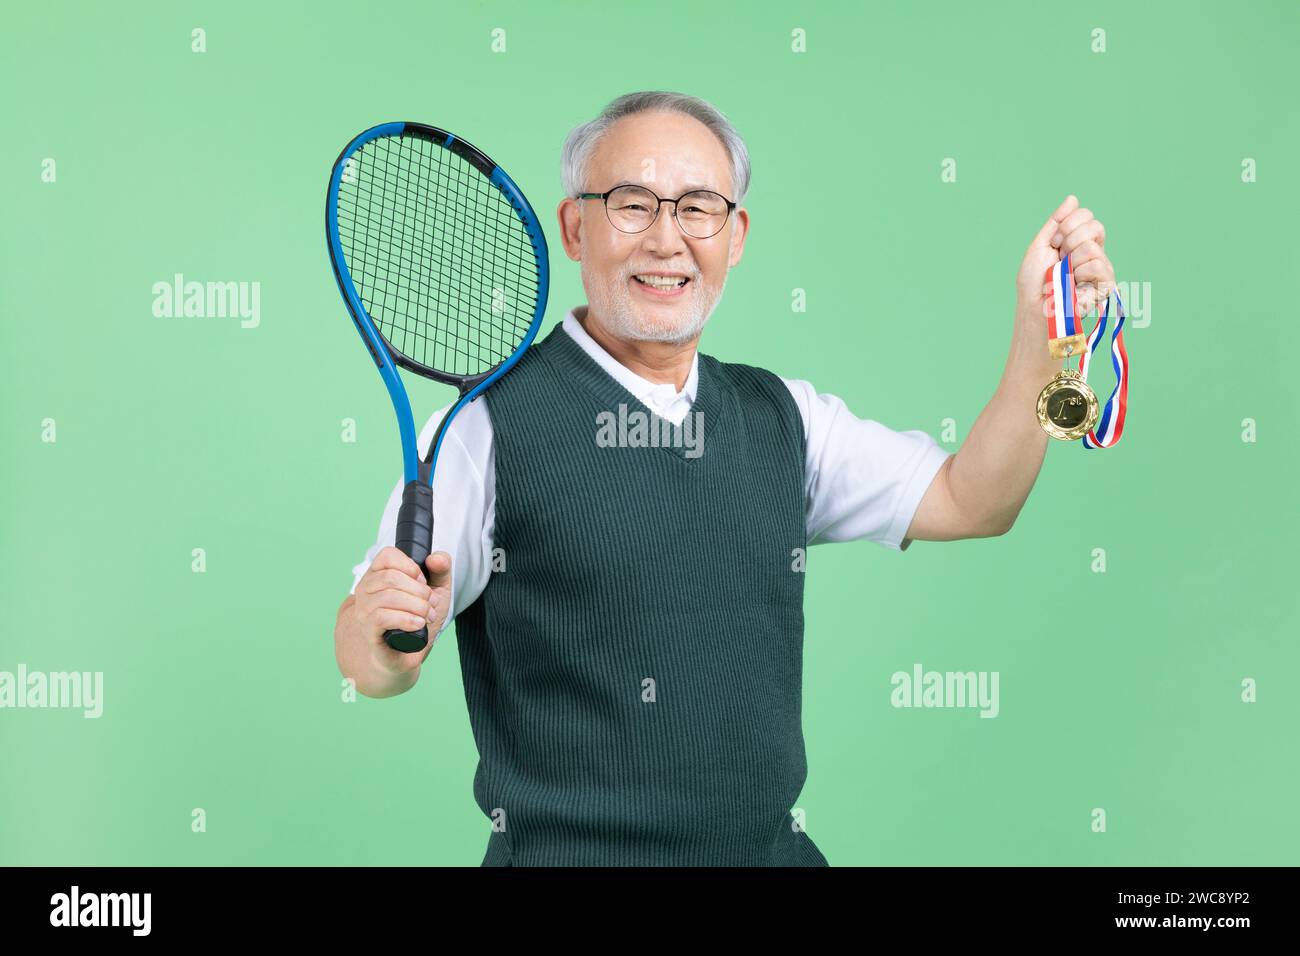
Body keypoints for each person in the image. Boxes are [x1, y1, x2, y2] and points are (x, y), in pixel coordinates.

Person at [333, 90, 1116, 866]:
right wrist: (383, 642)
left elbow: (974, 500)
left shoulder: (785, 419)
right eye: (631, 204)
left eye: (698, 207)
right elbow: (371, 659)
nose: (667, 240)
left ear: (735, 235)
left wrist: (1042, 341)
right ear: (576, 227)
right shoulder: (485, 430)